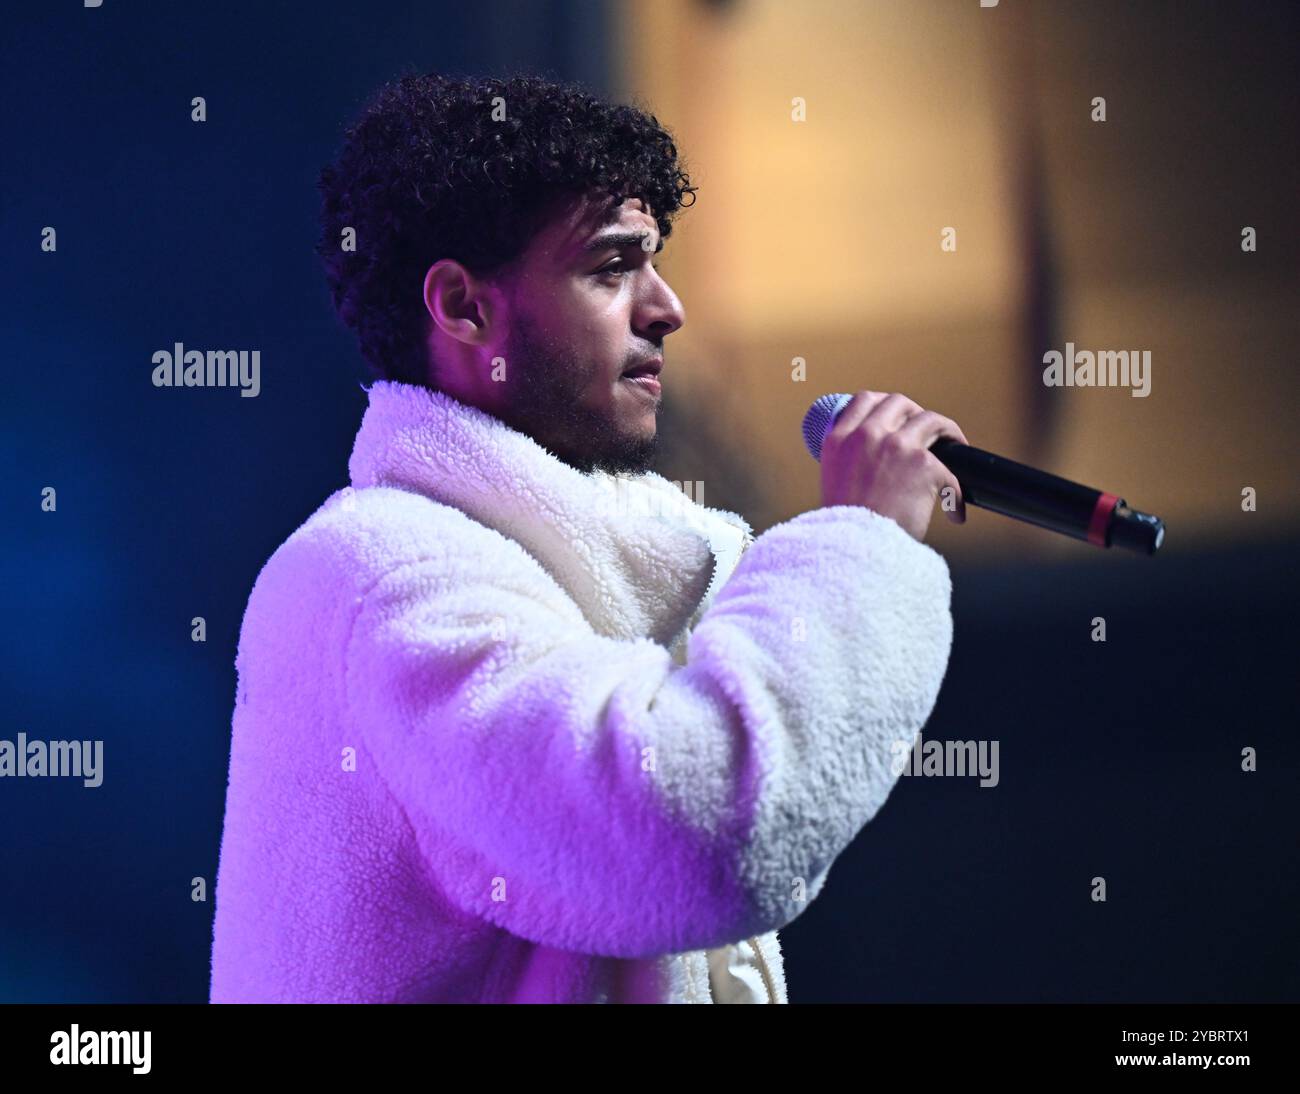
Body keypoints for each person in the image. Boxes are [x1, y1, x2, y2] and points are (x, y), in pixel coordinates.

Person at [209, 71, 968, 1004]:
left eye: (653, 262)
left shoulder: (571, 569)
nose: (666, 306)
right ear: (463, 308)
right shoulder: (376, 578)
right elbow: (695, 836)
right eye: (612, 268)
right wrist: (862, 541)